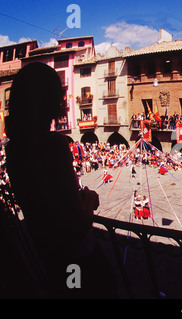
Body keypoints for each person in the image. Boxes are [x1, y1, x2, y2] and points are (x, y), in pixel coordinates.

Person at [5, 62, 117, 298]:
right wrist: (88, 199)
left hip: (48, 256)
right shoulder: (53, 145)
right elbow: (76, 226)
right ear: (50, 100)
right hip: (79, 259)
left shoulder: (14, 150)